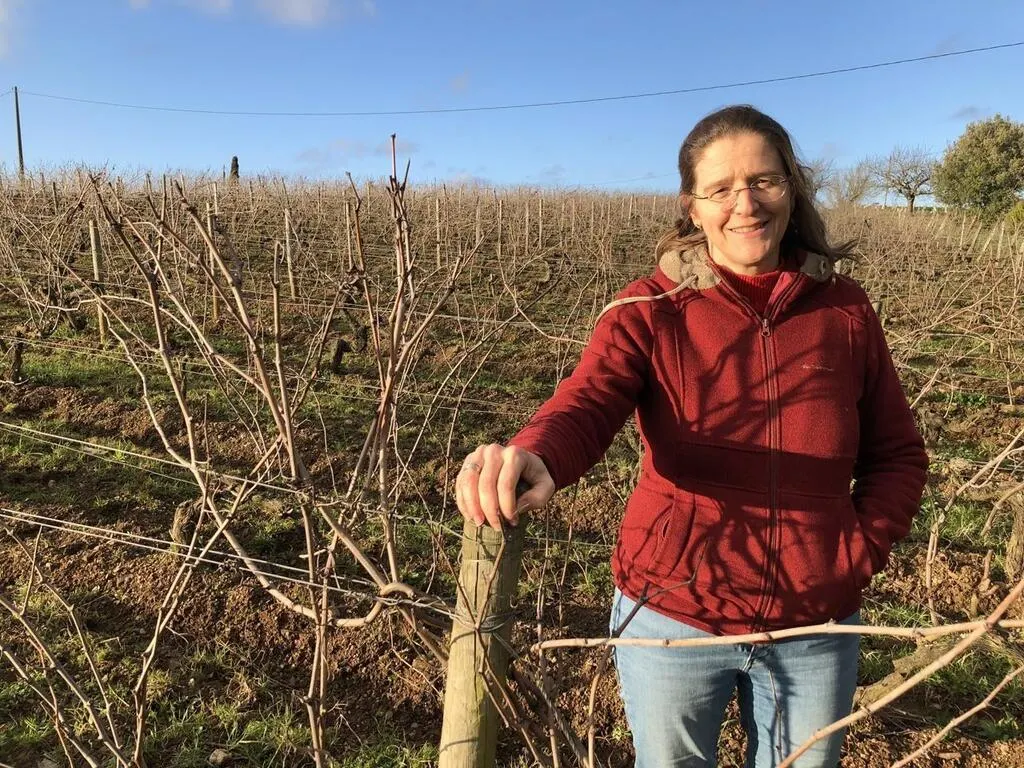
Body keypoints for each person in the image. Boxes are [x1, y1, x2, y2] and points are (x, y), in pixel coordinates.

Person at [453, 104, 928, 768]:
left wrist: (852, 553)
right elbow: (588, 399)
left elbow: (898, 455)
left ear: (791, 188)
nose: (746, 203)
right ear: (692, 207)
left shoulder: (845, 309)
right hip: (672, 616)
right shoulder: (649, 310)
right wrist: (535, 453)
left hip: (814, 624)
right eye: (721, 189)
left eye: (763, 180)